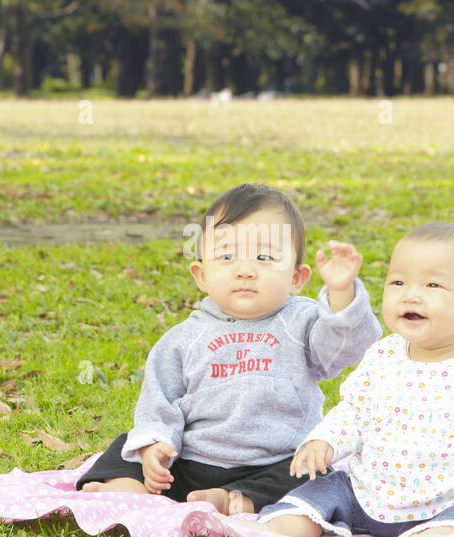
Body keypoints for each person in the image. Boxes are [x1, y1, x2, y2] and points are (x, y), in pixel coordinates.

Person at [77, 182, 383, 515]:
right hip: (191, 461)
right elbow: (159, 399)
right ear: (201, 274)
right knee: (127, 446)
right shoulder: (184, 337)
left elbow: (345, 347)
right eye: (226, 256)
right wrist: (156, 444)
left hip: (271, 462)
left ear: (297, 278)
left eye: (264, 257)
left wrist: (341, 295)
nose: (245, 269)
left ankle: (236, 501)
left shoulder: (303, 323)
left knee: (311, 474)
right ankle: (132, 487)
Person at [254, 222, 454, 537]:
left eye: (433, 286)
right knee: (320, 493)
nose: (411, 295)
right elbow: (355, 412)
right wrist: (324, 441)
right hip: (370, 490)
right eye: (398, 281)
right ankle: (284, 526)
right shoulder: (382, 356)